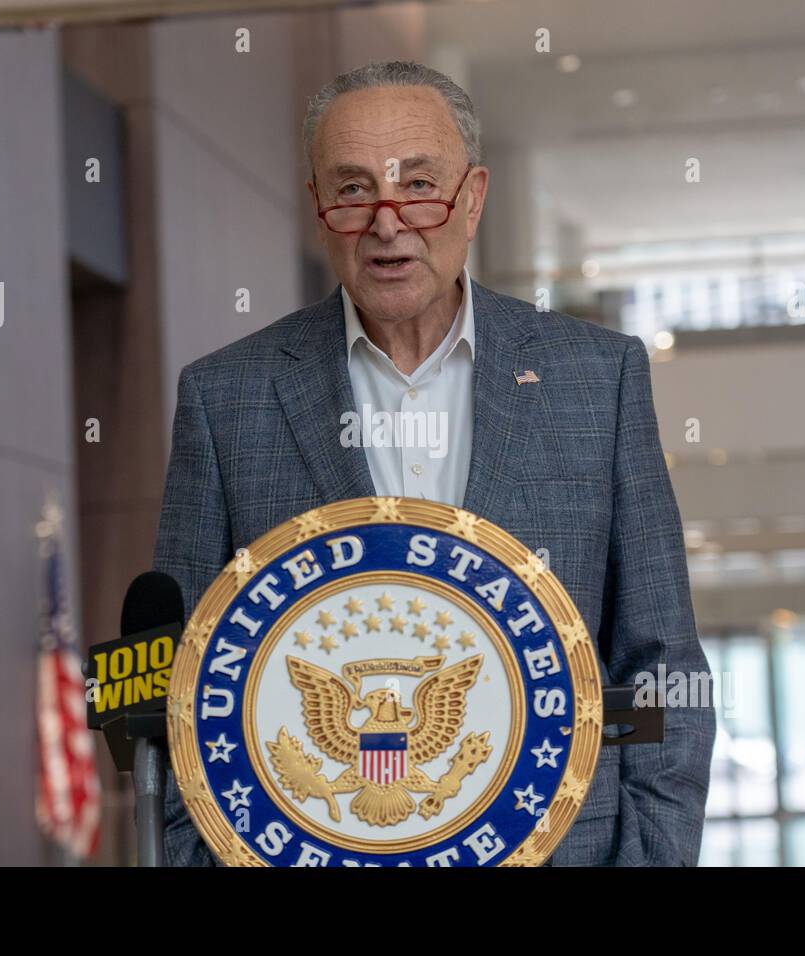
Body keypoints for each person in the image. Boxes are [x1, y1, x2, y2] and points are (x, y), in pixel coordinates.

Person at [154, 60, 714, 866]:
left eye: (420, 185)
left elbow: (662, 671)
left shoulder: (598, 379)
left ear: (475, 197)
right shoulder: (225, 398)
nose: (389, 222)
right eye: (353, 190)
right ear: (318, 206)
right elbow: (181, 682)